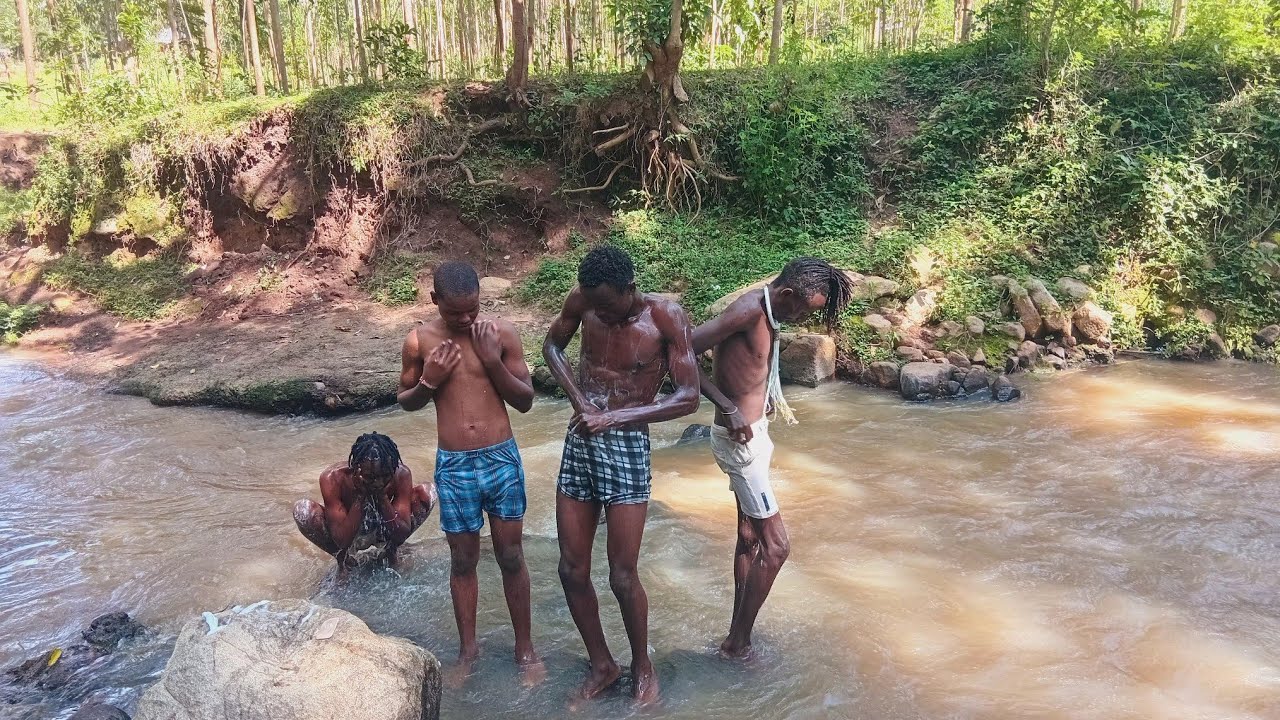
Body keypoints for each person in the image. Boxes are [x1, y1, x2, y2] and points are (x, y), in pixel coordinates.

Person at [542, 245, 701, 704]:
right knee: (571, 569)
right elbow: (553, 346)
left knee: (622, 575)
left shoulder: (665, 317)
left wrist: (613, 418)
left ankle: (642, 667)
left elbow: (689, 398)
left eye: (608, 305)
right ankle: (603, 665)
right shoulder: (583, 300)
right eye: (595, 306)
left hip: (628, 441)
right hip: (582, 436)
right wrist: (581, 402)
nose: (601, 314)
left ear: (629, 290)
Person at [693, 258, 853, 659]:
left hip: (754, 438)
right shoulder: (748, 310)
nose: (803, 318)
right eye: (804, 309)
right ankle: (738, 644)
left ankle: (737, 630)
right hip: (739, 446)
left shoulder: (768, 311)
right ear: (786, 295)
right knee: (777, 547)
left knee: (749, 537)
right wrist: (726, 407)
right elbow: (679, 351)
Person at [397, 261, 543, 685]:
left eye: (472, 309)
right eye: (455, 312)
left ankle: (525, 649)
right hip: (455, 464)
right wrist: (429, 381)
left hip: (501, 458)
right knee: (462, 560)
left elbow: (526, 401)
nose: (465, 319)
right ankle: (468, 651)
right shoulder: (419, 340)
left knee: (512, 556)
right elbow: (405, 400)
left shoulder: (502, 333)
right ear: (435, 301)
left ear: (481, 298)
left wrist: (492, 361)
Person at [294, 432, 435, 575]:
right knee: (303, 511)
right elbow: (341, 540)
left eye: (384, 476)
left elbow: (402, 532)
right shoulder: (333, 478)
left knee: (427, 493)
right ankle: (343, 560)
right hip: (348, 525)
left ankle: (391, 551)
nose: (377, 482)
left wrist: (382, 497)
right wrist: (360, 496)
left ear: (392, 468)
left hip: (383, 523)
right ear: (355, 468)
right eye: (370, 477)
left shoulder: (401, 474)